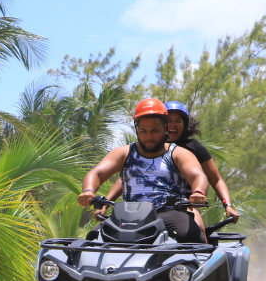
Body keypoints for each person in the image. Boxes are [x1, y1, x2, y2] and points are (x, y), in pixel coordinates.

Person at [78, 98, 208, 243]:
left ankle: (192, 265)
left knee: (190, 235)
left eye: (154, 131)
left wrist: (198, 192)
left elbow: (198, 176)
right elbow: (97, 173)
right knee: (93, 238)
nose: (149, 137)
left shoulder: (178, 153)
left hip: (169, 213)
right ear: (137, 130)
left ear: (165, 129)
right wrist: (88, 191)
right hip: (129, 216)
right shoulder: (124, 153)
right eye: (143, 131)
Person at [101, 101, 239, 224]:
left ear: (185, 123)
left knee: (194, 227)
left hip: (184, 205)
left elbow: (215, 180)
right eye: (169, 120)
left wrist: (227, 205)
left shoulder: (192, 147)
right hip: (141, 208)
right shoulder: (147, 147)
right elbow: (130, 176)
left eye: (178, 121)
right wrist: (105, 204)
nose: (173, 125)